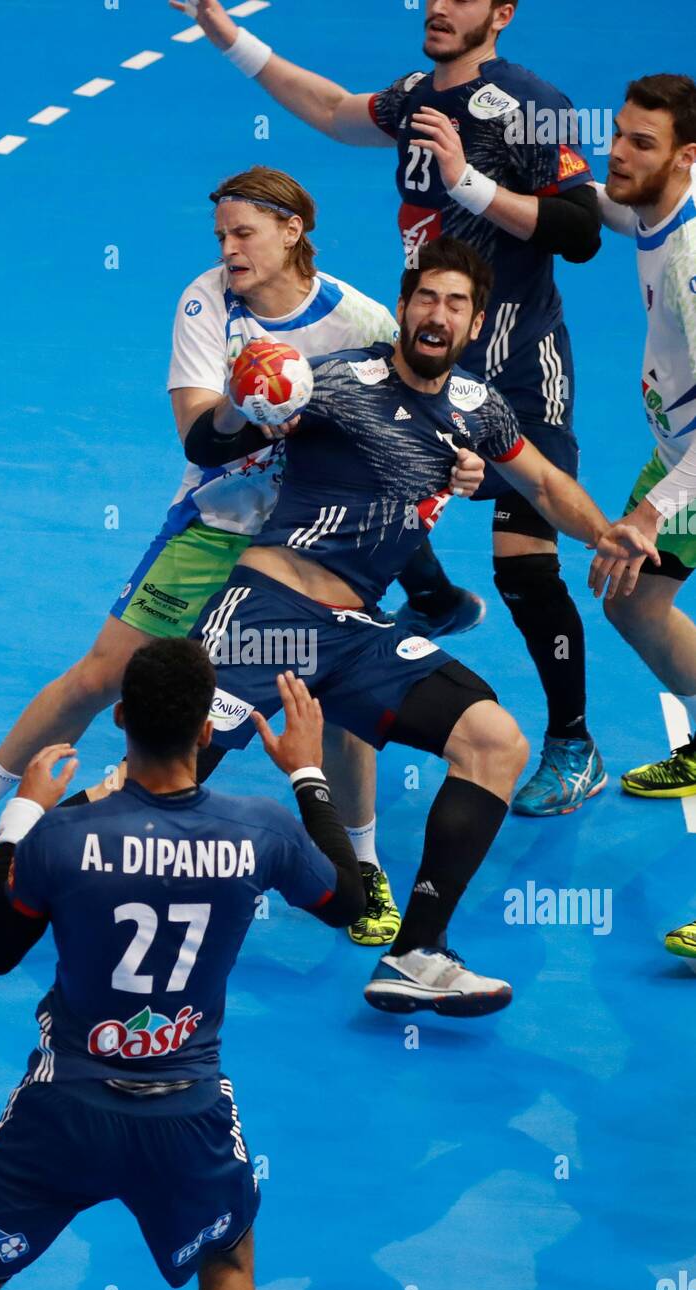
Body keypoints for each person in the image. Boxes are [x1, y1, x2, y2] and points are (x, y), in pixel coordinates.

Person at [0, 166, 430, 984]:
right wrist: (253, 402)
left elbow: (403, 428)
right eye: (221, 236)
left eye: (244, 233)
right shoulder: (207, 302)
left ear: (293, 230)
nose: (229, 250)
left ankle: (363, 860)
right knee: (103, 673)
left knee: (338, 700)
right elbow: (198, 438)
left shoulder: (362, 321)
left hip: (319, 543)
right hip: (220, 520)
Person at [187, 238, 656, 1014]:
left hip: (359, 631)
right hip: (268, 613)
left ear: (473, 326)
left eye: (457, 304)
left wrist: (605, 531)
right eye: (427, 299)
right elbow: (211, 442)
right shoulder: (337, 382)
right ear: (404, 308)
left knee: (495, 741)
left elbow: (542, 480)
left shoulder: (478, 410)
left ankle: (417, 952)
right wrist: (241, 404)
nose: (439, 315)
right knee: (171, 772)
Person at [173, 0, 606, 817]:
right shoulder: (415, 98)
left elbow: (580, 230)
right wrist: (227, 35)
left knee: (523, 567)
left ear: (502, 14)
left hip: (515, 369)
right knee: (367, 475)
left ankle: (572, 743)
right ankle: (432, 600)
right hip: (431, 354)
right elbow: (335, 111)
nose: (439, 6)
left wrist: (468, 184)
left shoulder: (526, 103)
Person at [0, 641, 364, 1290]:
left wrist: (23, 816)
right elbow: (349, 900)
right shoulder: (262, 831)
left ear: (120, 719)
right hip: (188, 1113)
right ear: (207, 731)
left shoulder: (62, 837)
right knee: (230, 1268)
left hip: (64, 1110)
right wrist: (307, 775)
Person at [585, 74, 696, 966]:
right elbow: (619, 212)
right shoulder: (660, 209)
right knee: (630, 601)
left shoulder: (695, 263)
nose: (618, 151)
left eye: (640, 143)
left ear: (685, 158)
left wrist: (656, 511)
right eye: (618, 134)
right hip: (679, 452)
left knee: (631, 573)